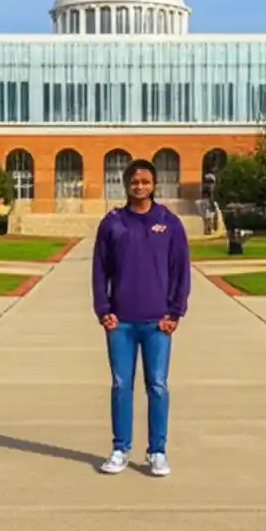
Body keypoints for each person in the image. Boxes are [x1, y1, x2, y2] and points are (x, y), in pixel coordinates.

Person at [91, 158, 191, 477]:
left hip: (157, 322)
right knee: (121, 385)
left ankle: (157, 451)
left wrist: (175, 312)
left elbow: (180, 271)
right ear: (126, 185)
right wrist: (103, 310)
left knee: (157, 386)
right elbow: (99, 271)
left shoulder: (169, 222)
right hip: (121, 322)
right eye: (134, 182)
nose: (140, 187)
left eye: (146, 182)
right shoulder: (113, 223)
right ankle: (120, 448)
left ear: (154, 185)